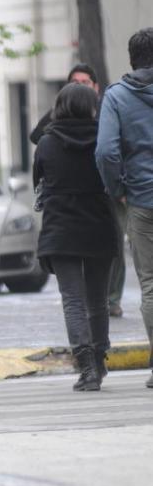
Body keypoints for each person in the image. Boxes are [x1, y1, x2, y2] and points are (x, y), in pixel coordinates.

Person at [36, 84, 120, 392]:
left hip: (61, 229)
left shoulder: (46, 142)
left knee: (72, 300)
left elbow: (39, 180)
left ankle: (86, 369)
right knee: (97, 301)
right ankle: (99, 361)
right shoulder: (104, 138)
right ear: (92, 108)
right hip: (98, 223)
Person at [29, 63, 127, 317]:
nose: (79, 87)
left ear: (96, 87)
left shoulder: (108, 115)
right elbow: (36, 135)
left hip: (98, 206)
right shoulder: (54, 134)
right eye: (74, 82)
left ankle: (112, 300)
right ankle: (92, 354)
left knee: (81, 301)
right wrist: (68, 106)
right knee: (88, 301)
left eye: (84, 83)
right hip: (87, 215)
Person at [97, 27, 153, 389]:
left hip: (143, 200)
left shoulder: (117, 97)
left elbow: (105, 151)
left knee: (149, 283)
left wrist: (118, 188)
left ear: (132, 59)